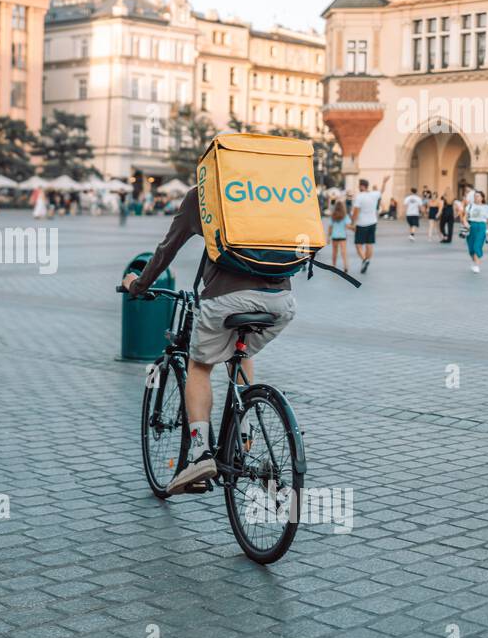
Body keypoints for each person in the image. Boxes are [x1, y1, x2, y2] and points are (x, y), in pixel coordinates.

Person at [122, 186, 296, 496]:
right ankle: (244, 436)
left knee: (199, 367)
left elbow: (167, 249)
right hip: (280, 301)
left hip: (226, 300)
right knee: (240, 355)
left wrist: (138, 284)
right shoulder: (270, 189)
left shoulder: (203, 194)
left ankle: (199, 455)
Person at [348, 178, 381, 273]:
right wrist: (384, 182)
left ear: (362, 186)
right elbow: (380, 192)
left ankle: (364, 259)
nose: (358, 187)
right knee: (369, 244)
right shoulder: (374, 194)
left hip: (361, 224)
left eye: (359, 185)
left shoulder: (359, 197)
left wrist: (352, 223)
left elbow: (356, 212)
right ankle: (367, 260)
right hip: (373, 222)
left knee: (358, 245)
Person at [461, 189, 488, 273]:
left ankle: (477, 265)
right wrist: (465, 222)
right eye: (475, 196)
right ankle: (474, 261)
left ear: (482, 198)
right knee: (471, 248)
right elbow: (465, 217)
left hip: (481, 227)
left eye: (478, 196)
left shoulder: (486, 207)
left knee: (477, 246)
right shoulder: (470, 206)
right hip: (471, 227)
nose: (476, 198)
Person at [328, 200, 350, 275]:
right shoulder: (345, 215)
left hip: (335, 236)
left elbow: (330, 227)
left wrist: (328, 237)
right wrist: (354, 228)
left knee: (334, 252)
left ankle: (333, 265)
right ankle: (345, 266)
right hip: (342, 236)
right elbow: (347, 226)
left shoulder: (333, 215)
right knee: (343, 252)